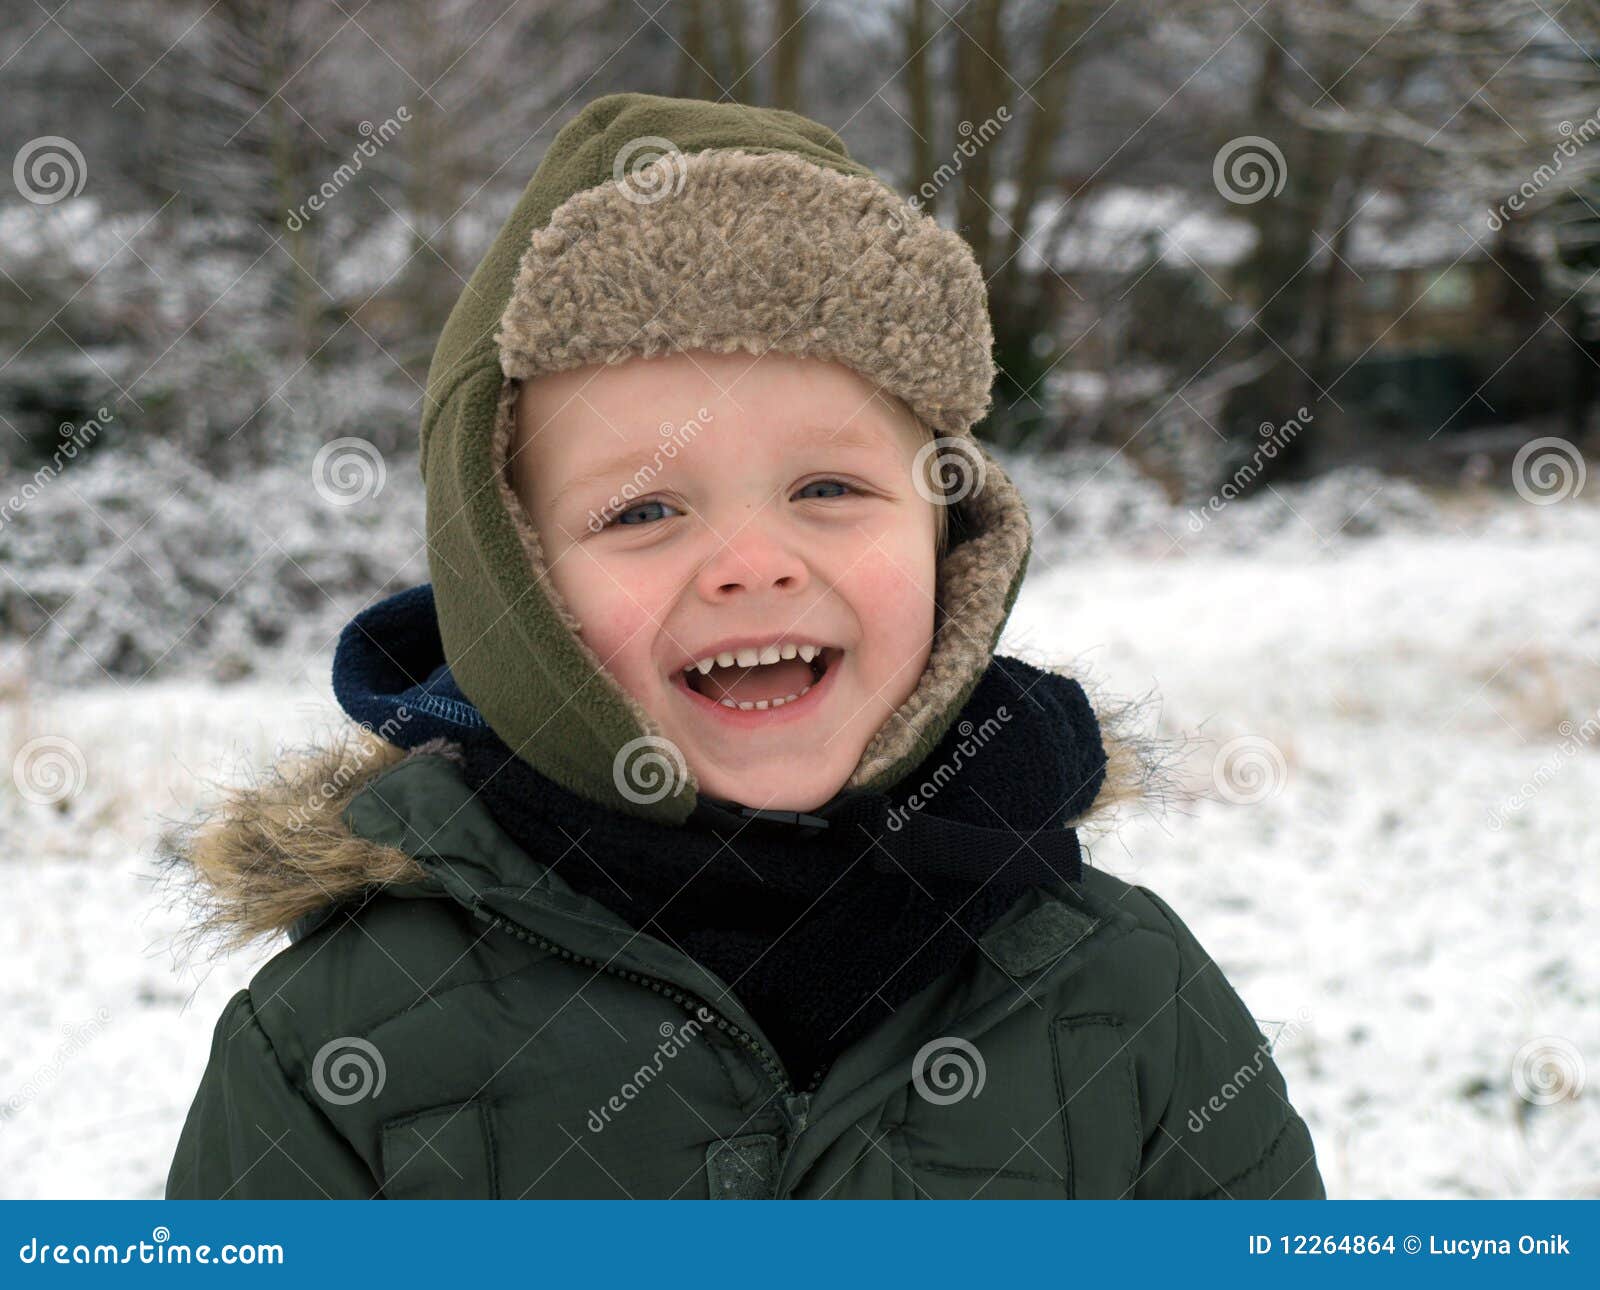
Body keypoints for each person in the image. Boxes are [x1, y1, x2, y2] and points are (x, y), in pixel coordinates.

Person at [163, 92, 1323, 1200]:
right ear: (510, 584)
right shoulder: (338, 1048)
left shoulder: (1127, 999)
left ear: (947, 541)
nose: (754, 564)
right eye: (643, 511)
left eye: (828, 487)